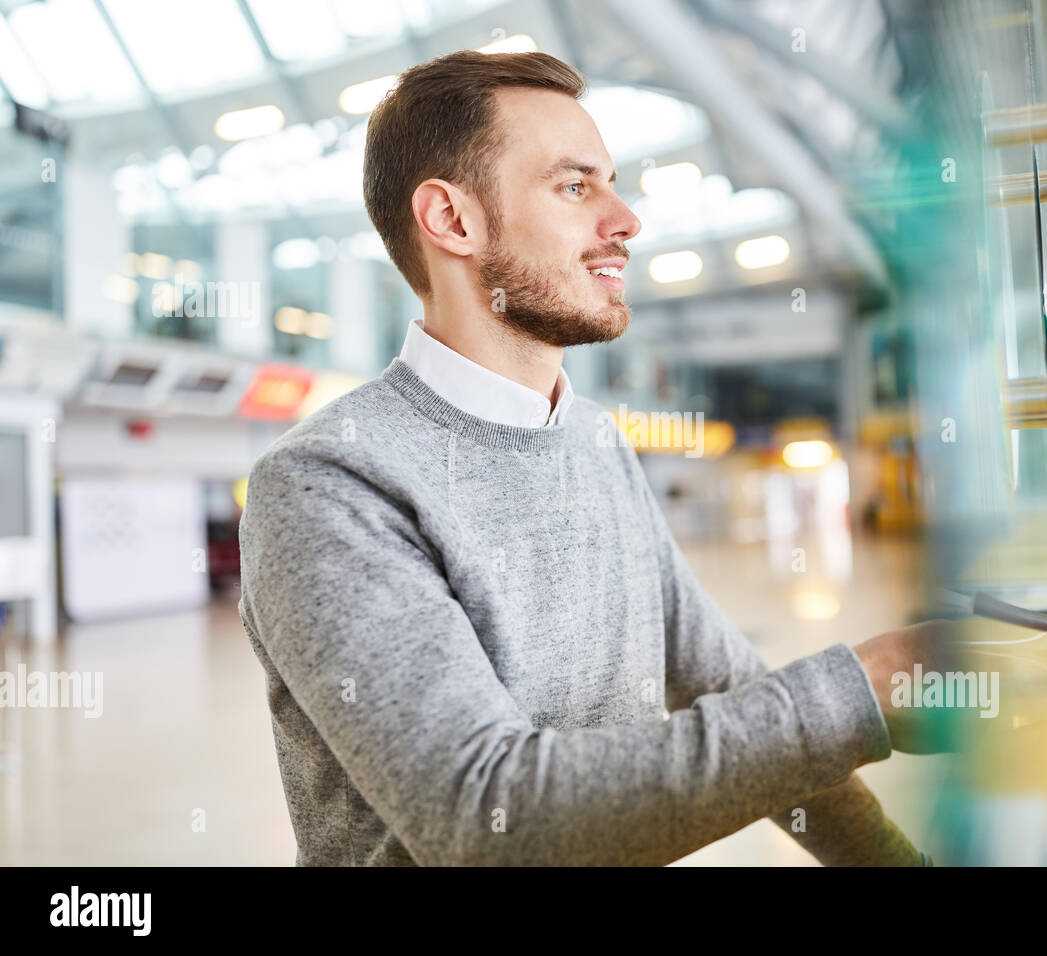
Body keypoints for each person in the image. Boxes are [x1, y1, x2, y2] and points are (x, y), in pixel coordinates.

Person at [237, 49, 958, 866]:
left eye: (611, 182)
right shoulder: (327, 483)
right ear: (452, 220)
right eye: (576, 186)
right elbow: (486, 815)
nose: (627, 220)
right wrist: (859, 688)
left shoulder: (595, 443)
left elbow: (731, 688)